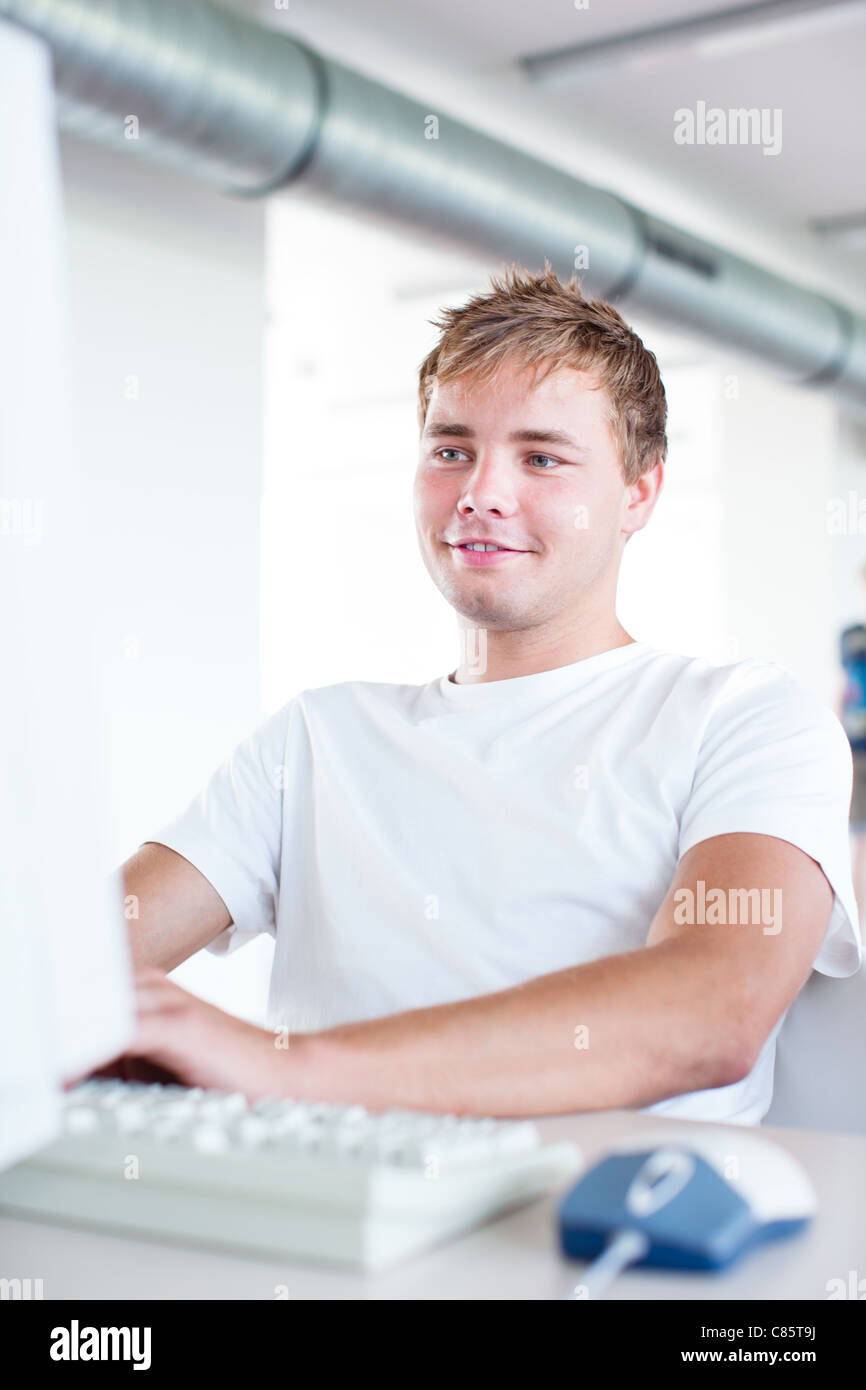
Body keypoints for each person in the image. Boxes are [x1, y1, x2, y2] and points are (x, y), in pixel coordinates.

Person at [112, 262, 861, 1125]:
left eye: (541, 457)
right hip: (329, 1235)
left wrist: (272, 1066)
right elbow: (85, 960)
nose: (480, 495)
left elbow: (711, 1008)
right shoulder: (316, 738)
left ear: (639, 493)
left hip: (608, 1241)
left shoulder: (747, 721)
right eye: (451, 450)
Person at [839, 585, 866, 921]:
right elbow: (844, 687)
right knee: (860, 837)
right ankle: (858, 922)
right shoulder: (851, 638)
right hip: (858, 746)